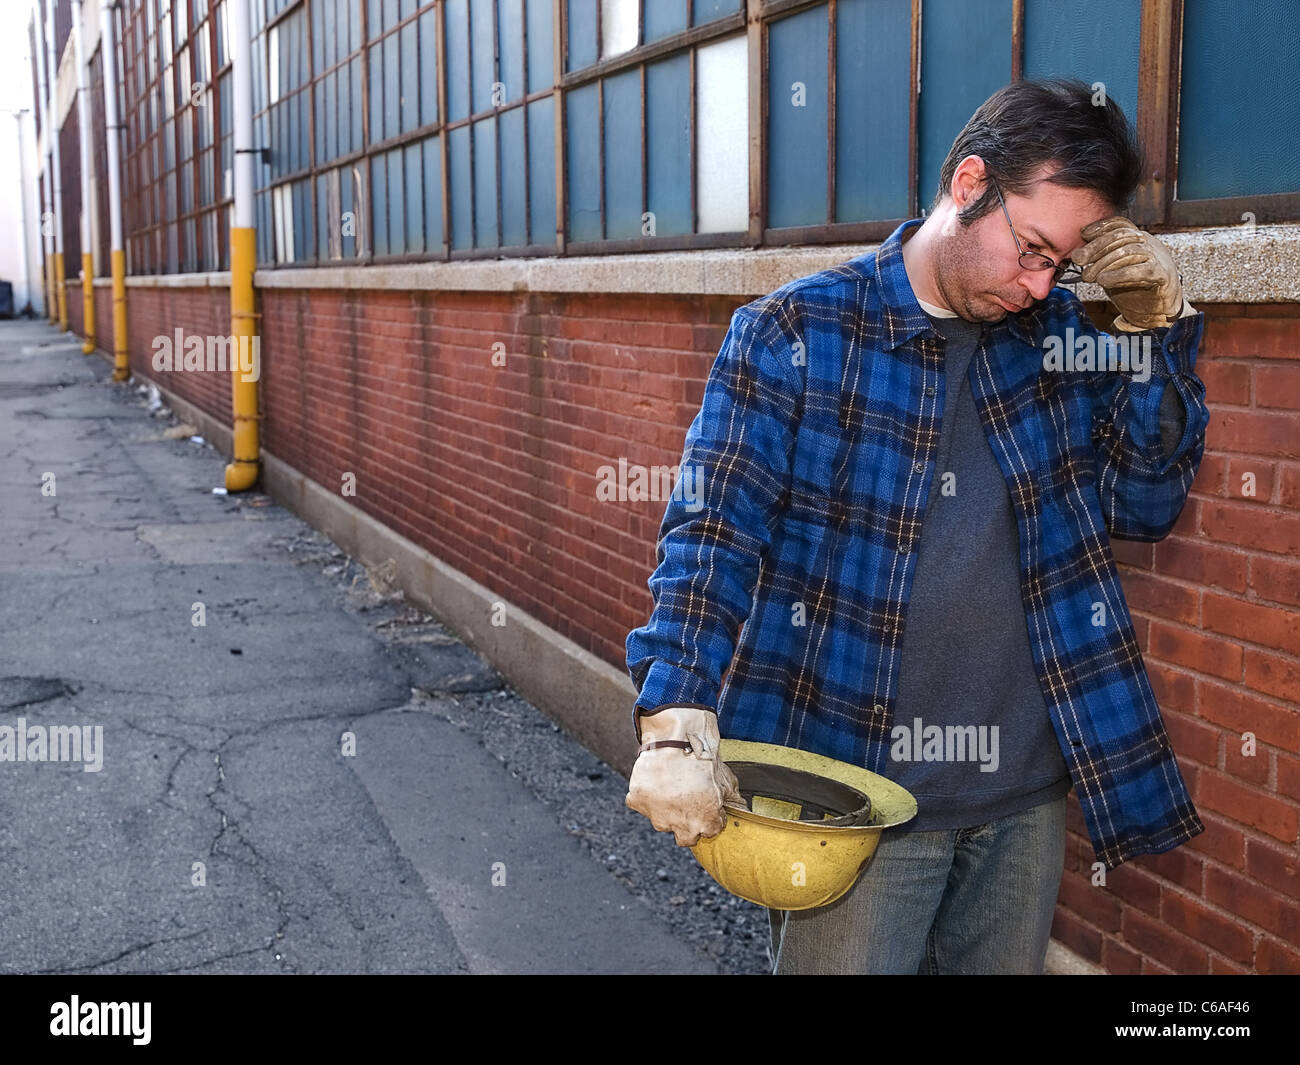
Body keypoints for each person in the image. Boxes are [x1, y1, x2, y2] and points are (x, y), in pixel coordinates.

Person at [623, 78, 1209, 975]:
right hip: (859, 796)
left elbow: (1144, 505)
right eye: (1032, 250)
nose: (1040, 284)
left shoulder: (1059, 342)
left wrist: (1157, 336)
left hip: (1024, 797)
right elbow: (712, 534)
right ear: (970, 182)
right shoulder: (796, 332)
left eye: (1062, 264)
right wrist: (672, 712)